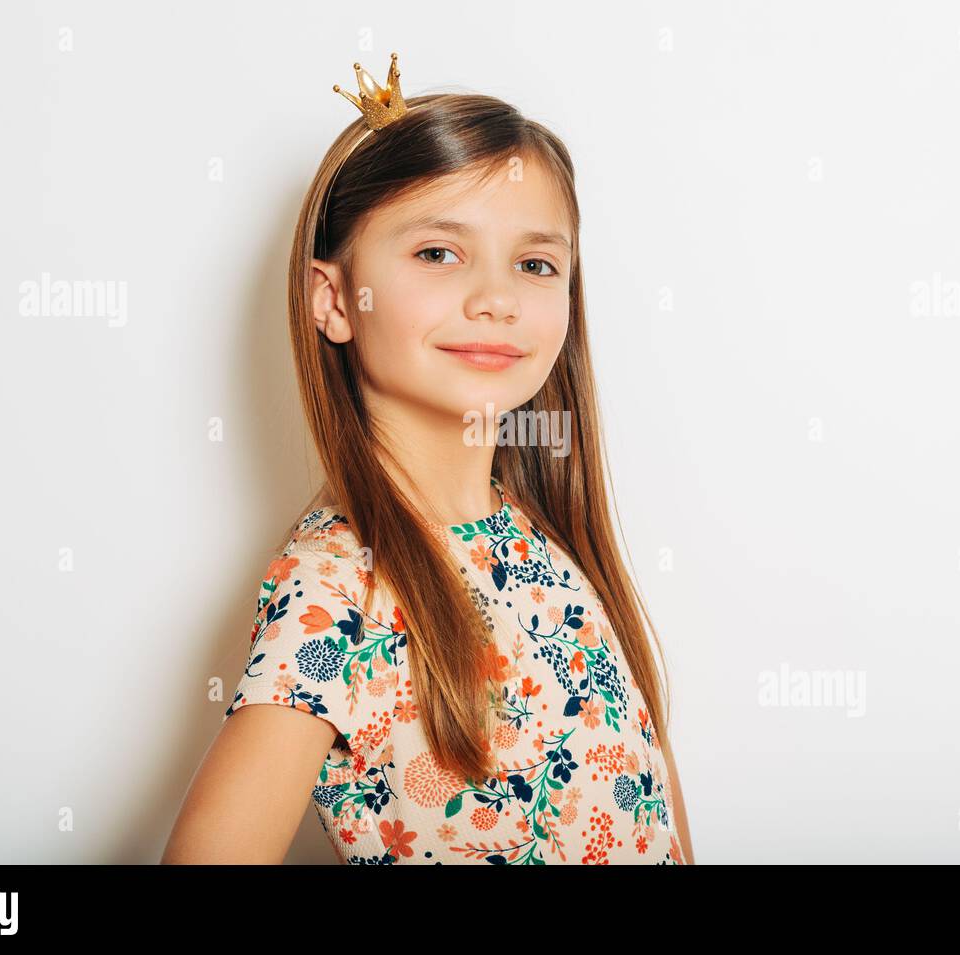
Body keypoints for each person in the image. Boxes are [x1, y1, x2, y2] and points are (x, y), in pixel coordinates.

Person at [163, 53, 693, 865]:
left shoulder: (551, 545)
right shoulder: (337, 587)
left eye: (536, 263)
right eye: (439, 253)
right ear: (335, 299)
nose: (496, 297)